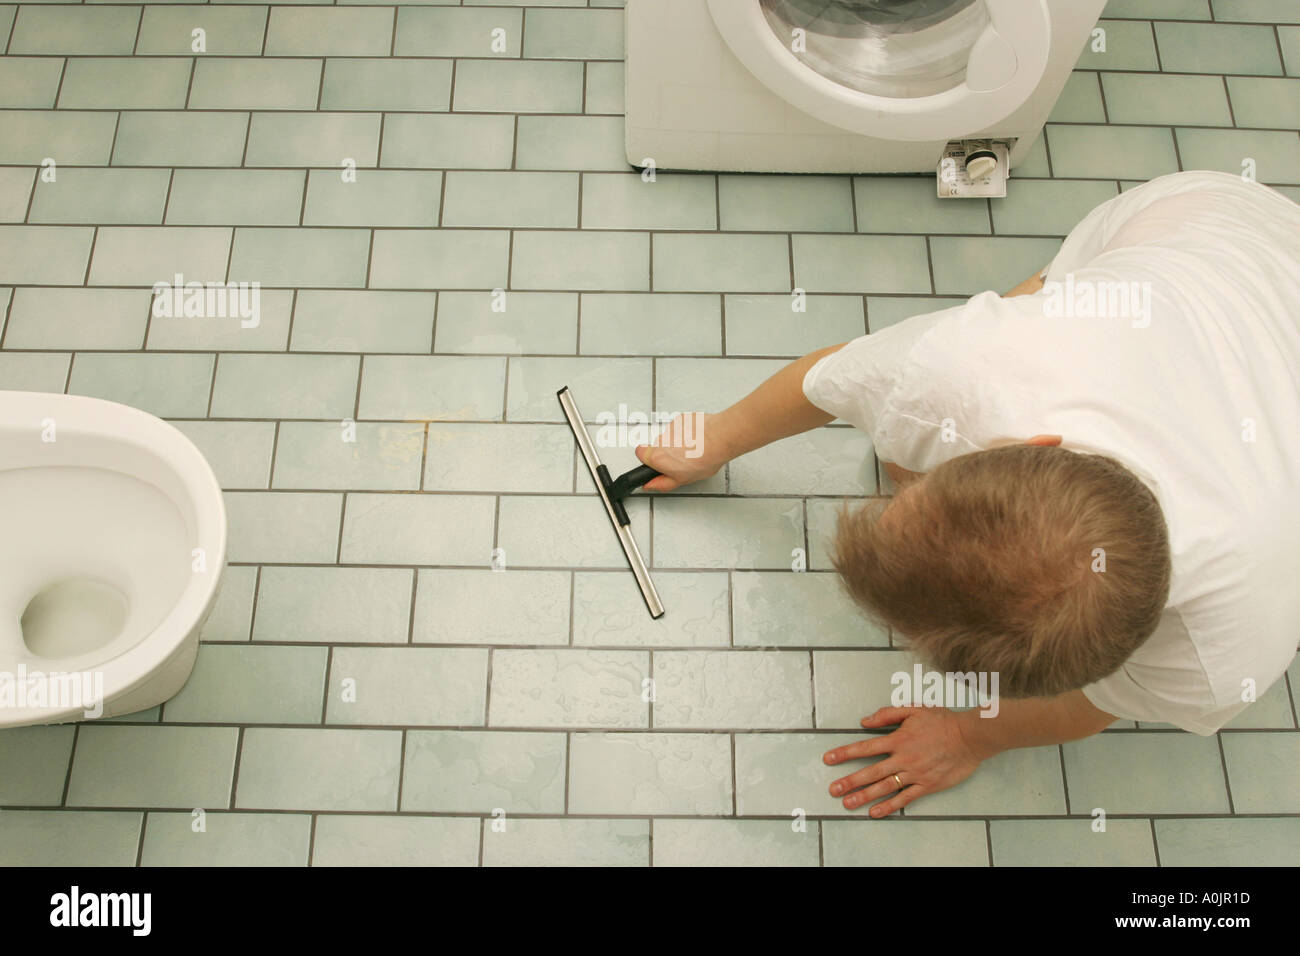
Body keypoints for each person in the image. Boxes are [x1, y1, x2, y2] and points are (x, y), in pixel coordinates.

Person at [636, 170, 1300, 816]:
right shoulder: (968, 364)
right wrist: (716, 439)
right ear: (1039, 443)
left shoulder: (1229, 647)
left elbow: (1101, 703)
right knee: (918, 411)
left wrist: (967, 735)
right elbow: (830, 379)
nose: (896, 494)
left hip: (1250, 324)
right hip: (1203, 222)